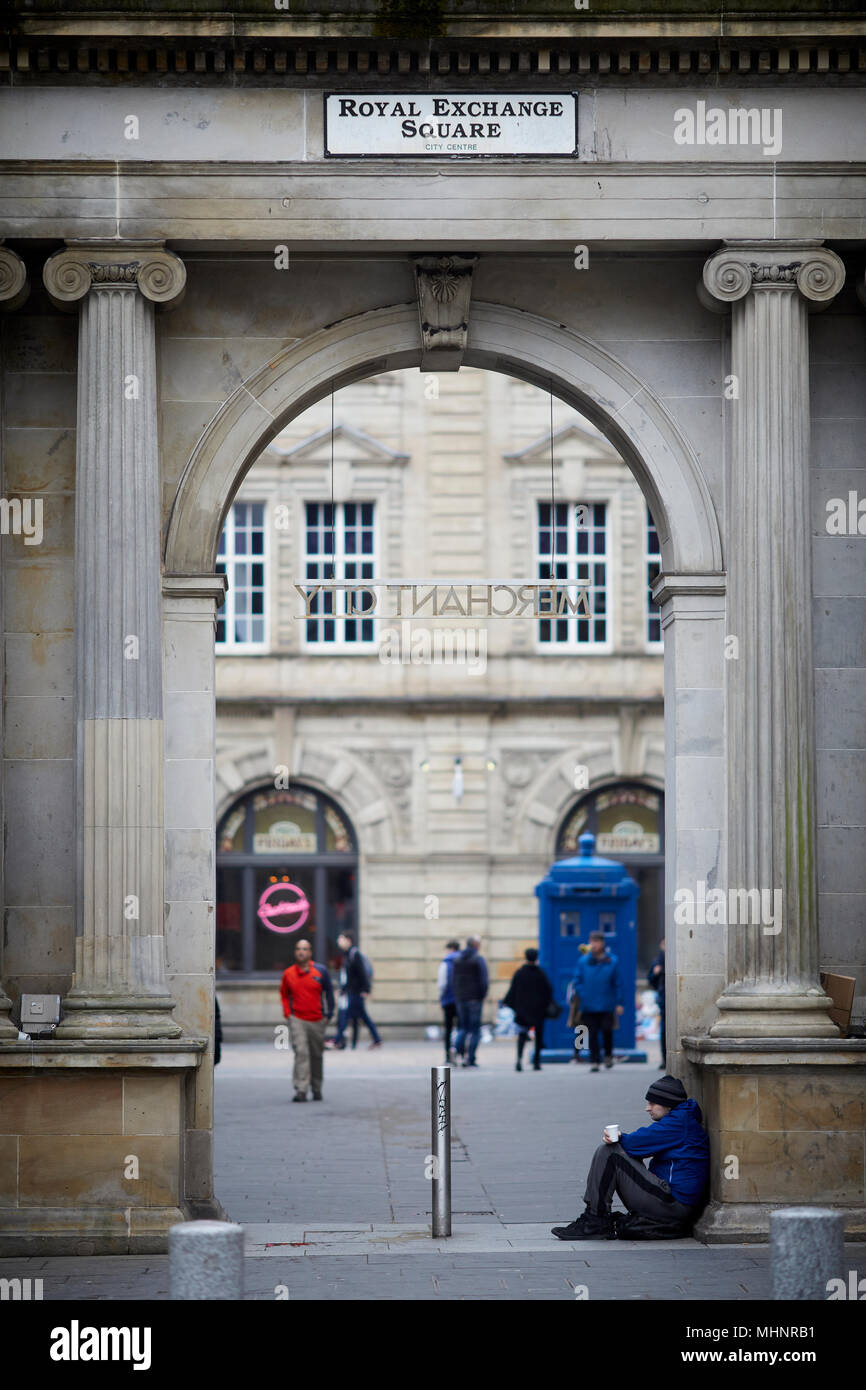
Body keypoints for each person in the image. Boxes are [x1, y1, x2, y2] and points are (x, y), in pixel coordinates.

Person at [551, 1074, 710, 1240]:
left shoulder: (679, 1123)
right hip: (673, 1202)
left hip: (673, 1205)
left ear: (668, 1105)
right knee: (614, 1152)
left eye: (652, 1103)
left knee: (610, 1153)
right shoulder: (681, 1119)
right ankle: (595, 1217)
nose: (647, 1108)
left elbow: (635, 1144)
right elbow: (638, 1148)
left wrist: (618, 1137)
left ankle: (595, 1220)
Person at [279, 938, 335, 1102]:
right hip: (297, 1019)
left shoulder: (320, 971)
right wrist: (288, 1014)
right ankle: (301, 1089)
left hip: (317, 1020)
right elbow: (284, 995)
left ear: (310, 953)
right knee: (301, 1052)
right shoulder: (288, 974)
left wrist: (328, 1015)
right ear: (295, 952)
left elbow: (329, 994)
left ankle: (317, 1088)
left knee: (317, 1055)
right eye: (298, 949)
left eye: (304, 949)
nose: (301, 952)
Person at [570, 931, 623, 1071]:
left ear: (602, 943)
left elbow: (618, 983)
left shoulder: (612, 961)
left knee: (607, 1031)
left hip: (607, 1003)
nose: (593, 945)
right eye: (592, 941)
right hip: (588, 1004)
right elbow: (577, 980)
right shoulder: (583, 961)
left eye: (596, 942)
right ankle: (594, 1060)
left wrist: (619, 1002)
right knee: (591, 1033)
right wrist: (583, 994)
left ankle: (608, 1055)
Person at [502, 948, 554, 1071]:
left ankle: (519, 1060)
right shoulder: (541, 973)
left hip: (522, 1010)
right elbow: (548, 991)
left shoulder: (520, 973)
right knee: (538, 1035)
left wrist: (513, 1006)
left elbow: (512, 991)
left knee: (521, 1035)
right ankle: (537, 1062)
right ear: (536, 958)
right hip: (538, 1010)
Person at [337, 931, 382, 1049]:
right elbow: (349, 976)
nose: (339, 942)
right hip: (352, 991)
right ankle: (376, 1039)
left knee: (346, 1016)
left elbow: (361, 974)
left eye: (341, 939)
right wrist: (343, 989)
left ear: (348, 940)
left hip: (356, 992)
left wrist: (366, 989)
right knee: (361, 1017)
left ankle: (338, 1040)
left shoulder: (354, 954)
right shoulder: (347, 954)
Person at [452, 934, 488, 1068]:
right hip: (475, 999)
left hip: (461, 998)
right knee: (475, 1030)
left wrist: (457, 995)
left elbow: (453, 981)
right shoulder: (478, 959)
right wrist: (482, 995)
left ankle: (458, 1053)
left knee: (463, 1027)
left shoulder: (457, 959)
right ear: (476, 945)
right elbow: (484, 981)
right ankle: (471, 1058)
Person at [437, 939, 461, 1063]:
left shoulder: (446, 962)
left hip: (448, 1000)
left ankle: (448, 1056)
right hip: (462, 1000)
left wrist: (440, 996)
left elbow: (442, 983)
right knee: (462, 1028)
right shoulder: (464, 960)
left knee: (448, 1029)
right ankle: (461, 1053)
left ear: (451, 949)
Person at [649, 937, 666, 1069]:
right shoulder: (657, 962)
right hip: (663, 999)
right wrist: (655, 974)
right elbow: (651, 981)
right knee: (664, 1031)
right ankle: (665, 1058)